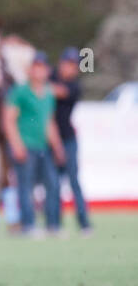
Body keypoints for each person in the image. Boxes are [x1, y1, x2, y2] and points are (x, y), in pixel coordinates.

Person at [3, 51, 67, 237]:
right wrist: (16, 145)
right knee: (26, 185)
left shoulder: (48, 93)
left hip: (42, 146)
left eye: (42, 68)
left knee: (53, 184)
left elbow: (49, 122)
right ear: (30, 70)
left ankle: (53, 225)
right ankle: (28, 225)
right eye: (35, 67)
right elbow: (9, 120)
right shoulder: (20, 92)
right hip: (25, 144)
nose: (39, 71)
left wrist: (57, 146)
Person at [51, 47, 92, 235]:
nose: (72, 69)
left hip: (67, 139)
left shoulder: (74, 86)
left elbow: (59, 92)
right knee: (53, 184)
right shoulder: (51, 76)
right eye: (69, 64)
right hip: (50, 141)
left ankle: (84, 223)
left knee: (73, 181)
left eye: (74, 65)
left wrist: (40, 84)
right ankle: (55, 224)